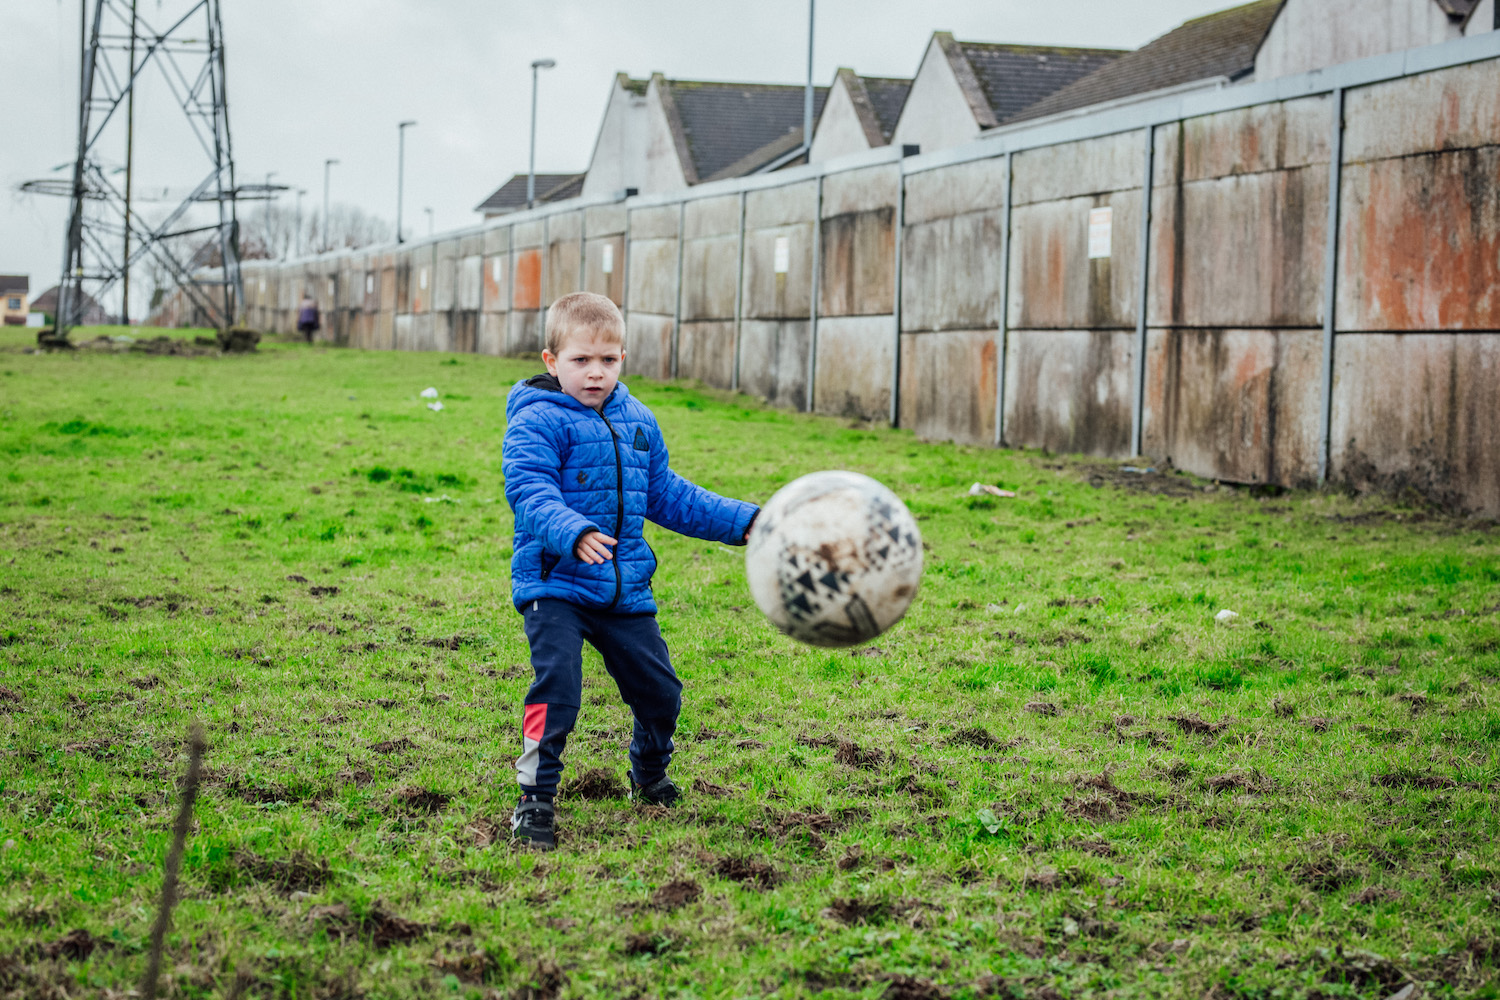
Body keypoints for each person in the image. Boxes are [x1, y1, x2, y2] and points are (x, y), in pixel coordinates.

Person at [501, 291, 757, 850]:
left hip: (623, 589)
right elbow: (528, 489)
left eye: (609, 360)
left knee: (661, 694)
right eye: (580, 360)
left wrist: (748, 523)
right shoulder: (536, 420)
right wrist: (573, 531)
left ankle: (648, 773)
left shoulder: (638, 421)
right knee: (559, 687)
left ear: (623, 357)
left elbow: (668, 496)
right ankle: (534, 801)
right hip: (556, 583)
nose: (595, 373)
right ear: (551, 360)